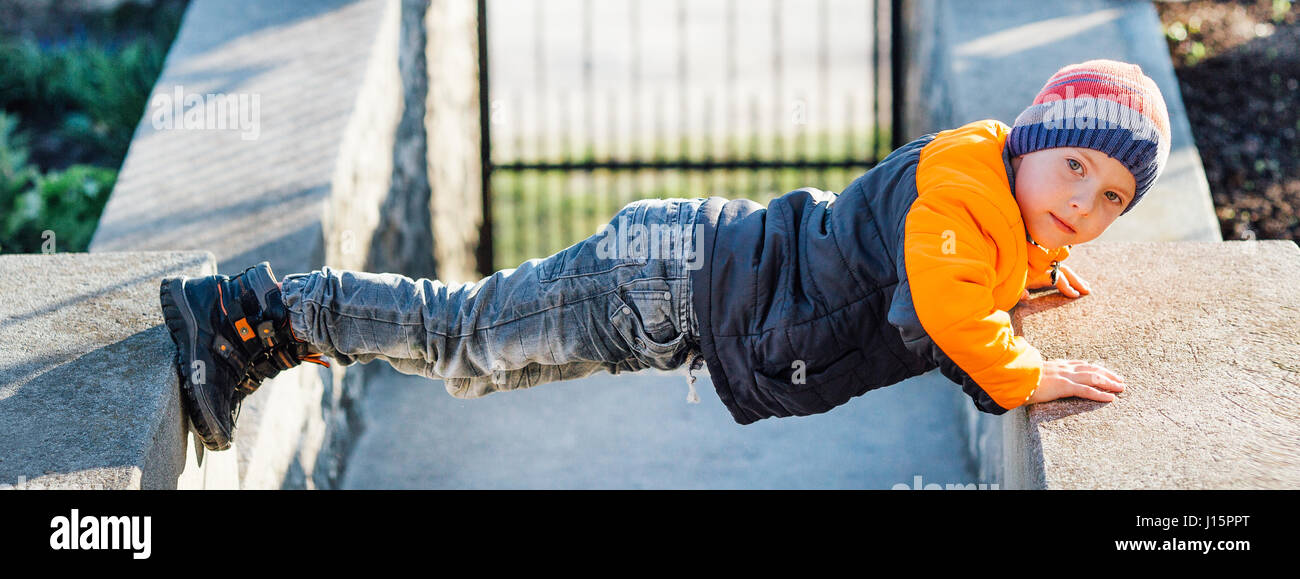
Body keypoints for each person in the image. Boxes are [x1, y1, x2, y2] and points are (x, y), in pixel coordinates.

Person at [161, 59, 1166, 451]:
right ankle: (260, 317)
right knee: (466, 337)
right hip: (668, 281)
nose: (1081, 202)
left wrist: (1031, 266)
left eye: (1110, 197)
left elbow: (965, 261)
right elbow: (950, 312)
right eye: (1072, 166)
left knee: (476, 358)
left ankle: (281, 326)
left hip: (681, 288)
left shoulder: (989, 201)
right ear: (1030, 140)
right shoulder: (963, 196)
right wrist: (1029, 370)